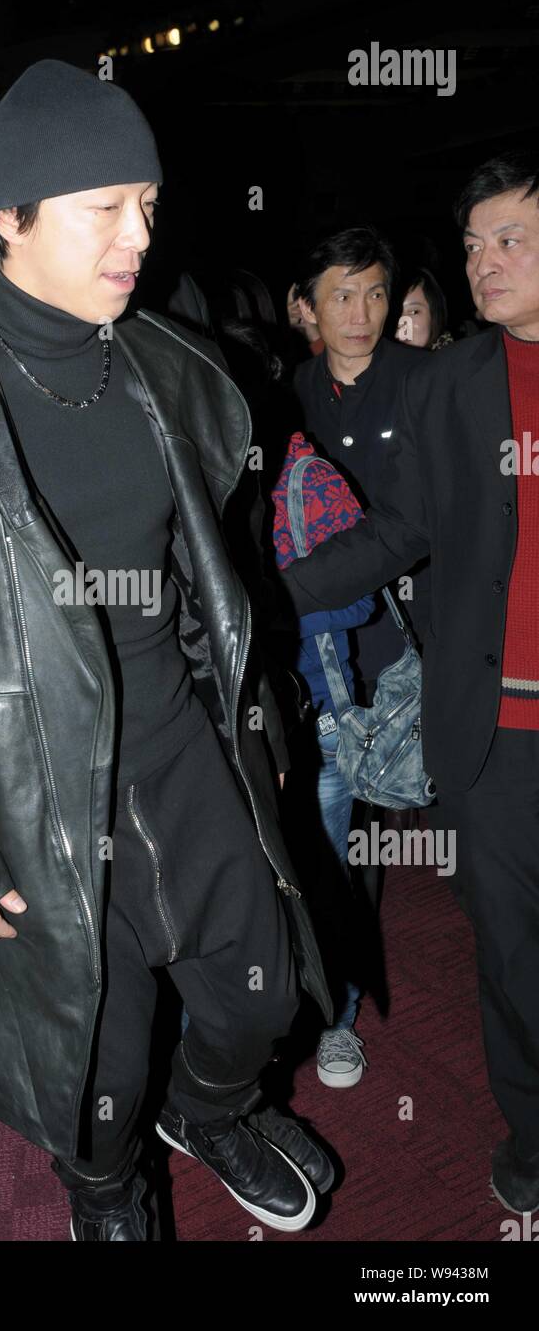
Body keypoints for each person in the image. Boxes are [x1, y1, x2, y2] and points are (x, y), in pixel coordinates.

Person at [0, 58, 335, 1242]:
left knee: (260, 990)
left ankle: (206, 1112)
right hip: (34, 786)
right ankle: (103, 1188)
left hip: (179, 746)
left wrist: (243, 722)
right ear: (7, 216)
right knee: (91, 1055)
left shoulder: (165, 362)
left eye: (148, 205)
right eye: (101, 207)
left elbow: (207, 576)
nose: (136, 235)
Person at [280, 151, 539, 1217]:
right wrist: (261, 593)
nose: (482, 261)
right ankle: (531, 1144)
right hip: (495, 735)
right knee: (512, 958)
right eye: (471, 243)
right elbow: (396, 530)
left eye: (509, 239)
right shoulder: (454, 384)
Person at [272, 431, 375, 1087]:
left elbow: (361, 596)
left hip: (317, 723)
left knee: (324, 880)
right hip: (216, 729)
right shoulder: (175, 478)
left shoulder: (310, 481)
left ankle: (337, 1020)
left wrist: (260, 614)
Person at [292, 227, 429, 676]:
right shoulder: (288, 395)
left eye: (375, 296)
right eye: (343, 298)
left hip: (424, 629)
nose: (361, 316)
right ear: (308, 306)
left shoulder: (428, 381)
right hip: (328, 643)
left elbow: (413, 525)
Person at [395, 268, 454, 350]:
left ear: (434, 315)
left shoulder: (455, 360)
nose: (401, 323)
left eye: (414, 312)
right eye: (394, 313)